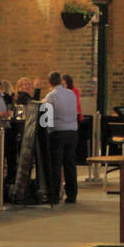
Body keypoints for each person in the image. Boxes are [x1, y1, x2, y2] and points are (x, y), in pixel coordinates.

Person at [43, 71, 79, 204]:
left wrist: (47, 132)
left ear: (49, 82)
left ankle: (54, 195)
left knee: (56, 165)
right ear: (61, 81)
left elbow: (46, 118)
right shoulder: (71, 94)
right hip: (72, 132)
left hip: (58, 133)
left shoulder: (51, 96)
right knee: (70, 164)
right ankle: (72, 195)